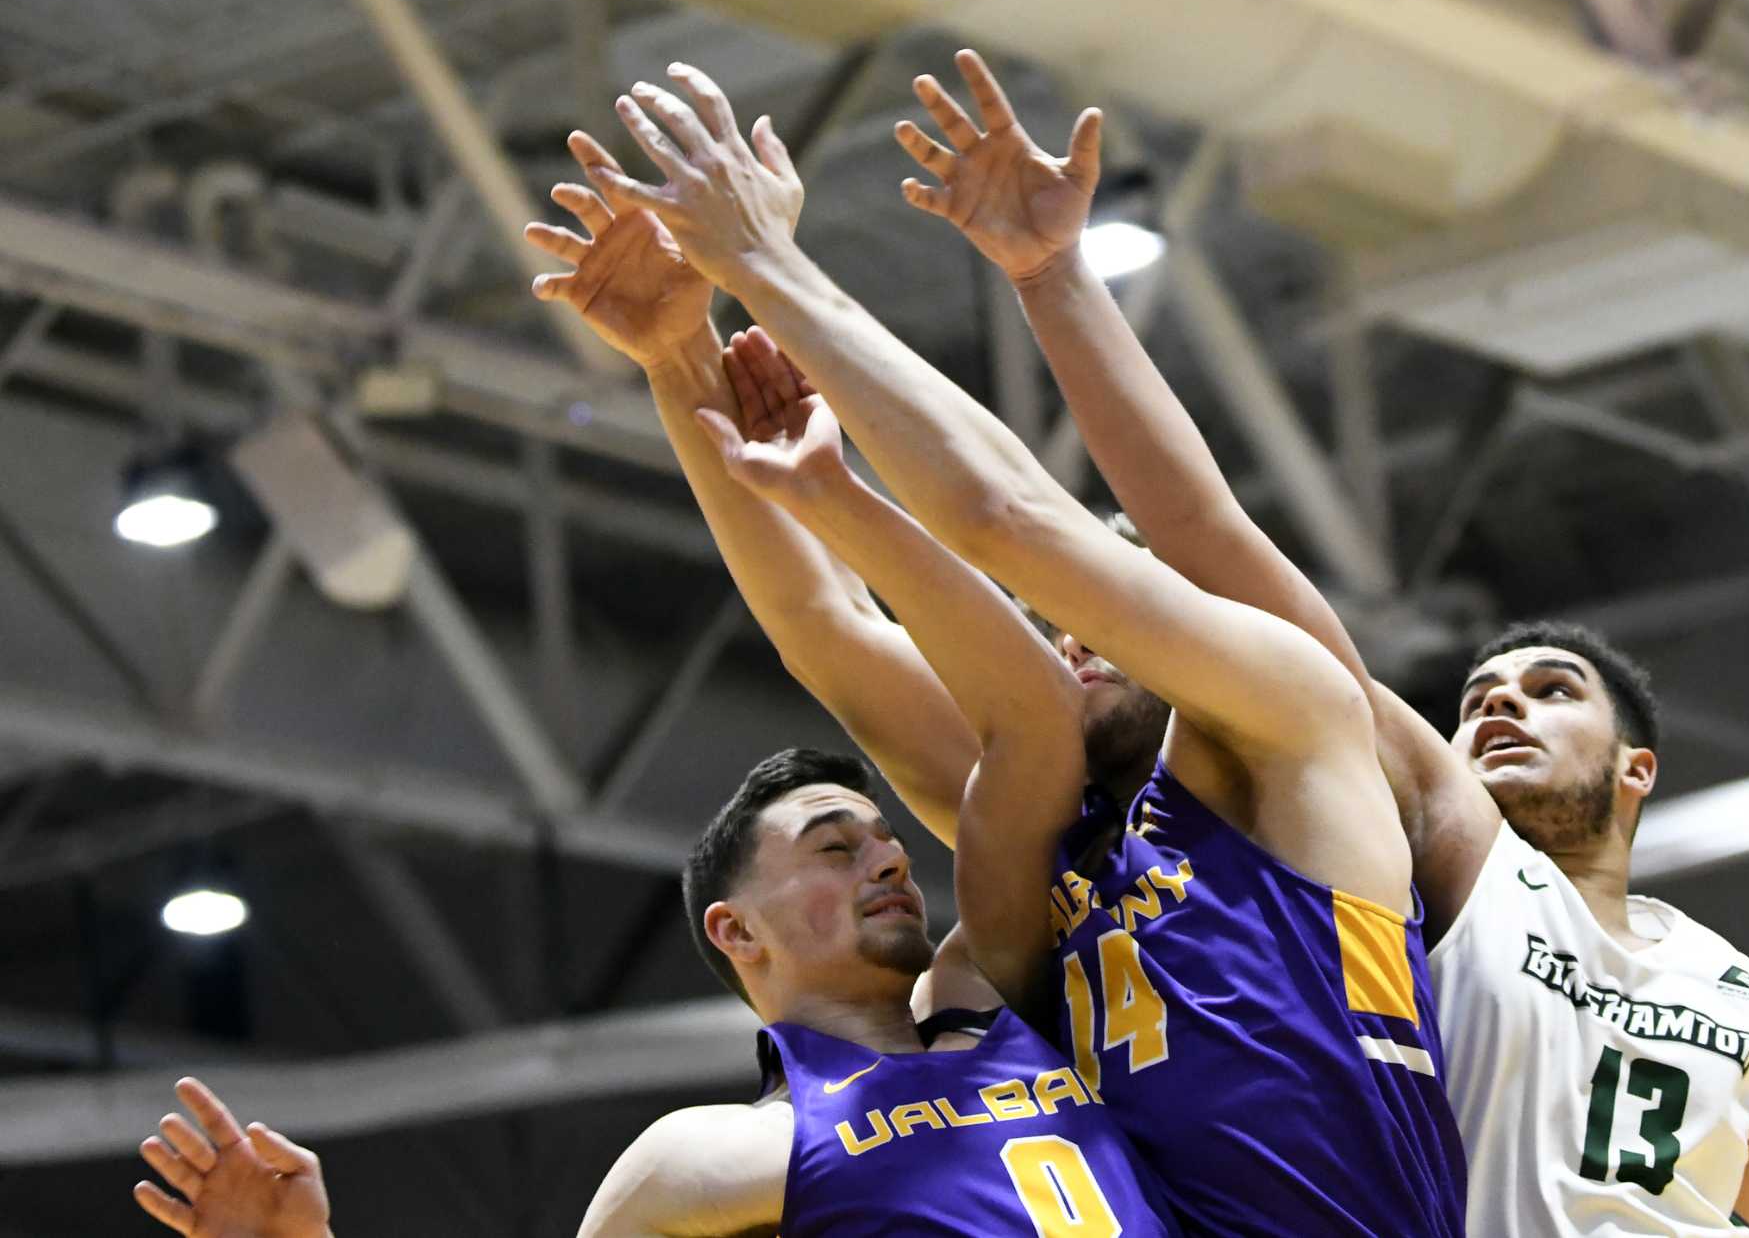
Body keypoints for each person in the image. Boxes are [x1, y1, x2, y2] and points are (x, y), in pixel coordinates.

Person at [874, 51, 1749, 1237]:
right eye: (1481, 688)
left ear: (1635, 763)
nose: (1500, 703)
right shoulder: (1450, 842)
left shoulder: (1723, 981)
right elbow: (1203, 533)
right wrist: (1054, 279)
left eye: (1551, 688)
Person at [540, 60, 1466, 1237]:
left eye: (1100, 611)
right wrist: (680, 357)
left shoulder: (1291, 723)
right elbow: (831, 636)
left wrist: (765, 263)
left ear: (1176, 618)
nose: (1065, 637)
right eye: (1050, 629)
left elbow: (1005, 523)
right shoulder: (1049, 851)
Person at [136, 745, 1180, 1238]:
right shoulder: (711, 1155)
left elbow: (1019, 750)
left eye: (888, 841)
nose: (889, 860)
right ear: (735, 930)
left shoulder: (993, 1001)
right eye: (833, 845)